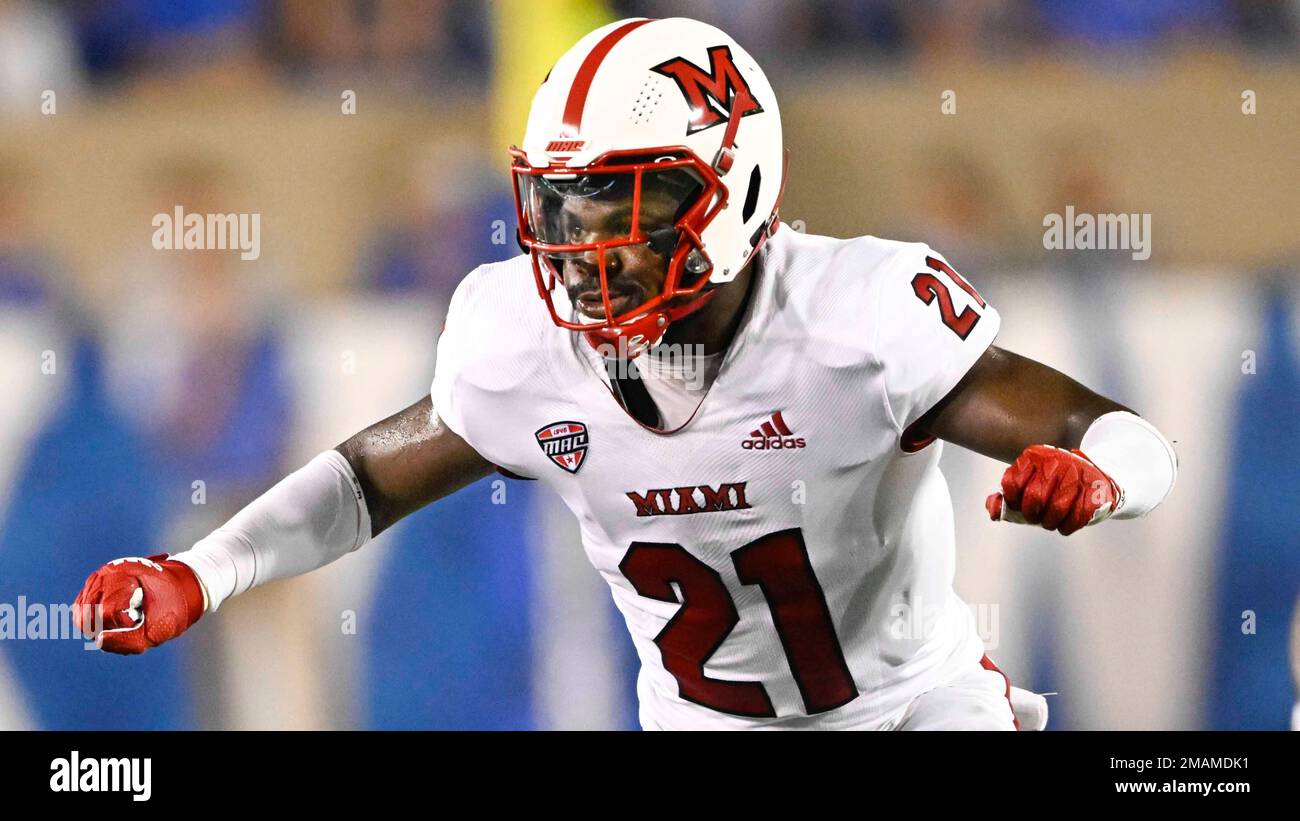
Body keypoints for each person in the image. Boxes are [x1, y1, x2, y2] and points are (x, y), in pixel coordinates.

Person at [72, 17, 1177, 730]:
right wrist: (200, 572)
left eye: (630, 207)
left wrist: (1097, 478)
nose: (586, 247)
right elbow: (366, 479)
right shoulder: (517, 339)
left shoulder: (860, 316)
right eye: (562, 206)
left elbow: (1120, 433)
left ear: (735, 191)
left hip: (914, 713)